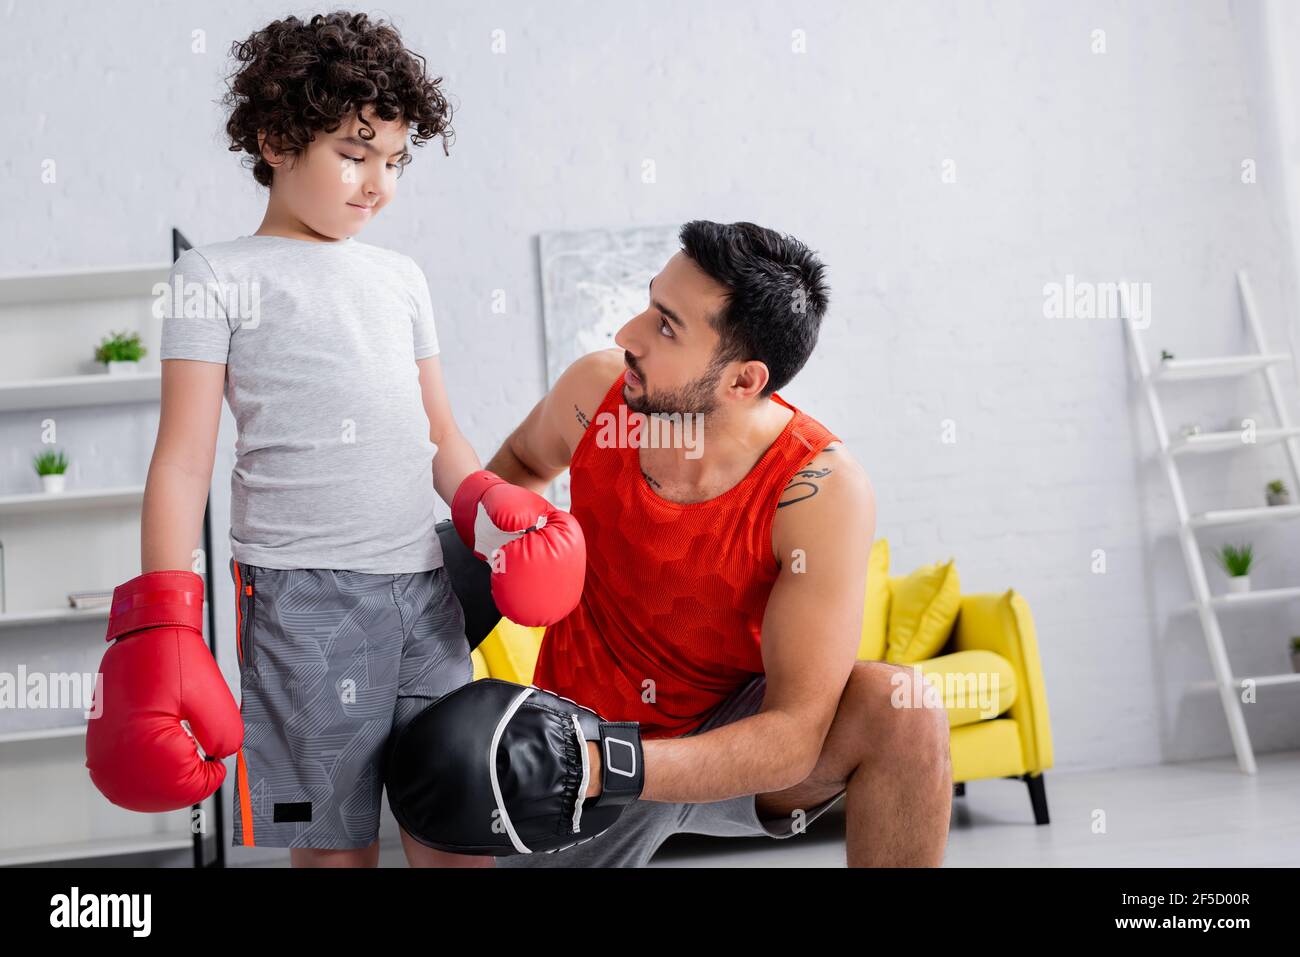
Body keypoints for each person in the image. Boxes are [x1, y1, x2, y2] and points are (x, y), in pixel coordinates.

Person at [84, 11, 582, 869]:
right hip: (299, 603)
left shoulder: (400, 279)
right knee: (333, 849)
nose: (377, 184)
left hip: (423, 593)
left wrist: (495, 507)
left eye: (394, 161)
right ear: (278, 138)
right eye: (355, 153)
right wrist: (161, 622)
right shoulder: (215, 276)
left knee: (459, 830)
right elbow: (182, 460)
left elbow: (440, 436)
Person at [475, 220, 953, 867]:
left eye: (666, 326)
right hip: (578, 740)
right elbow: (518, 466)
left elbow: (793, 735)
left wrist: (608, 765)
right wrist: (508, 545)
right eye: (649, 303)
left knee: (905, 708)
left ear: (743, 381)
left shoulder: (818, 488)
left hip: (723, 748)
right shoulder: (596, 395)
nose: (627, 336)